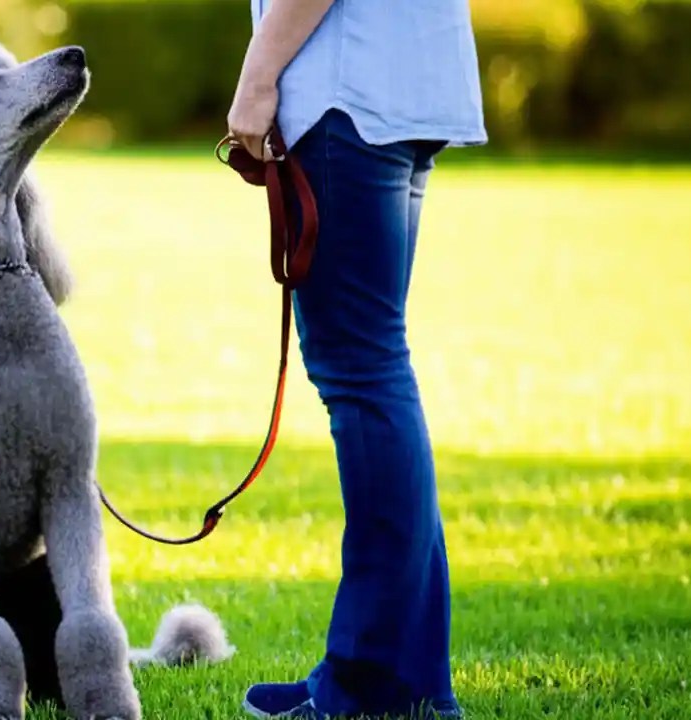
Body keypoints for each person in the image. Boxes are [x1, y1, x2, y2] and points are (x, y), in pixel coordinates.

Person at [226, 1, 487, 718]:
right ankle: (413, 680)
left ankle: (367, 684)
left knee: (364, 375)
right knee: (377, 371)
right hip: (404, 86)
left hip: (348, 94)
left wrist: (258, 72)